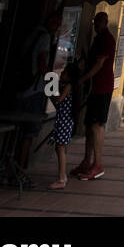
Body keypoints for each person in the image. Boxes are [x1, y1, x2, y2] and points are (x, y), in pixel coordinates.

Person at [14, 9, 61, 171]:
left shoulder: (32, 34)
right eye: (54, 23)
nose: (56, 27)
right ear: (48, 21)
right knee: (29, 132)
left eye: (58, 24)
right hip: (34, 90)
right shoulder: (44, 37)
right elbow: (42, 64)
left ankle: (12, 167)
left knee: (18, 131)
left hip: (22, 88)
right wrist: (54, 90)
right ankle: (20, 169)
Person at [74, 11, 116, 181]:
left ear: (105, 22)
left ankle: (97, 164)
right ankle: (87, 161)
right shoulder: (98, 38)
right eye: (94, 22)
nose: (95, 25)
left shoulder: (106, 39)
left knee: (97, 125)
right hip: (94, 88)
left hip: (102, 87)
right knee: (90, 124)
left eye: (98, 22)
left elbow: (100, 63)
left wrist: (84, 78)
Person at [49, 60, 79, 190]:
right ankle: (62, 177)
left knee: (60, 149)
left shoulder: (68, 87)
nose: (62, 73)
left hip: (64, 121)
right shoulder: (70, 86)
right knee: (59, 148)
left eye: (65, 72)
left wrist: (52, 89)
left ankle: (62, 178)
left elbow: (59, 100)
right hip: (64, 120)